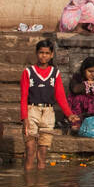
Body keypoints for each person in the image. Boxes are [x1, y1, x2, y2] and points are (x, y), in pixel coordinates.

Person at [20, 39, 79, 169]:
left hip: (48, 113)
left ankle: (40, 180)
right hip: (32, 110)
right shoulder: (28, 72)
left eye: (47, 53)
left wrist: (69, 114)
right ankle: (27, 180)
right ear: (36, 53)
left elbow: (60, 96)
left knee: (43, 153)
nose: (44, 56)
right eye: (41, 52)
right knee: (30, 150)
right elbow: (23, 96)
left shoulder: (55, 73)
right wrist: (24, 118)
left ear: (51, 55)